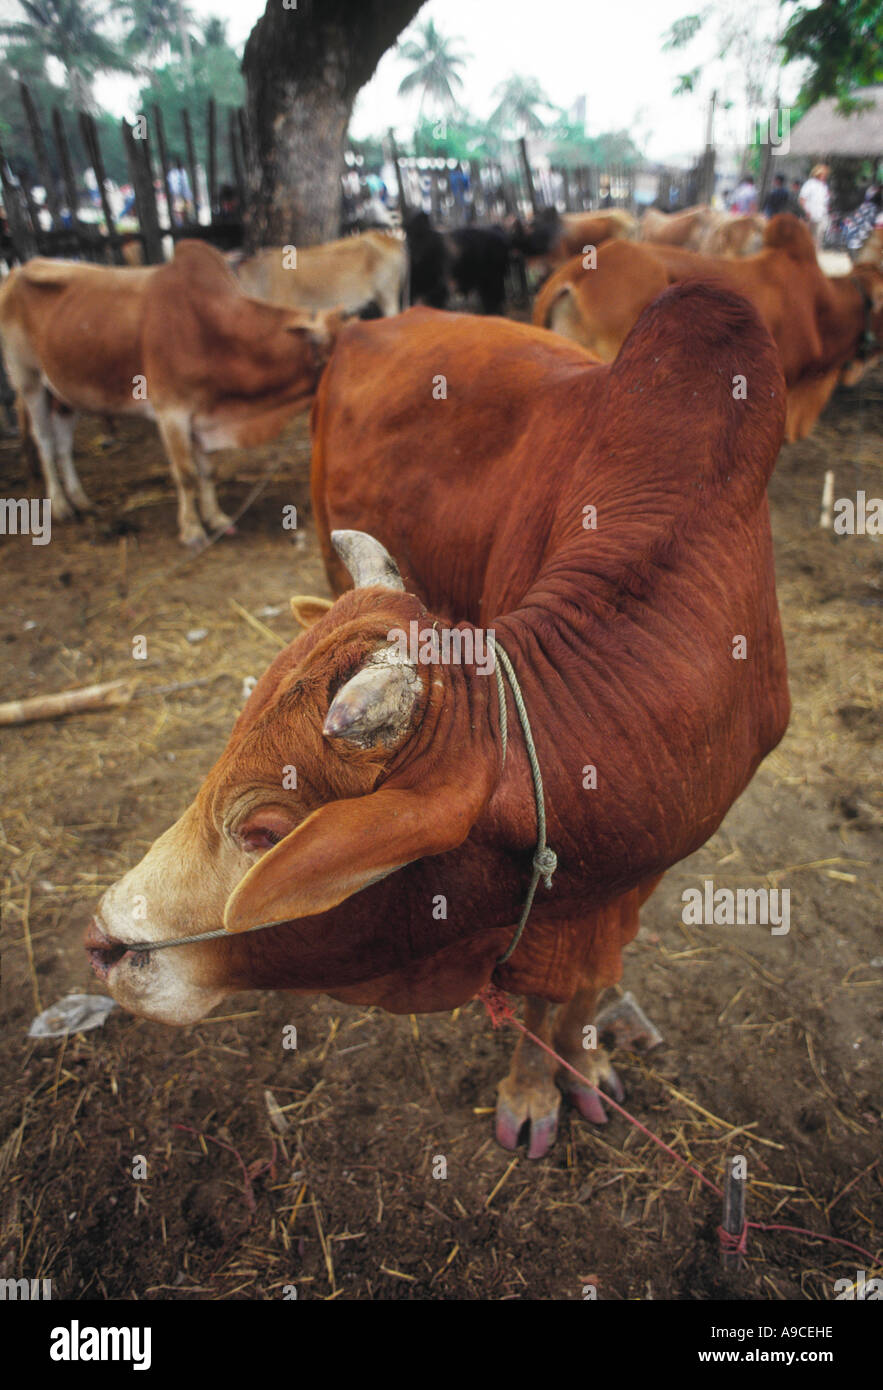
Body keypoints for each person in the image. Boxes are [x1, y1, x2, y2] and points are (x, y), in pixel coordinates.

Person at [799, 164, 830, 247]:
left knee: (818, 237)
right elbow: (802, 199)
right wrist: (806, 211)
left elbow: (825, 201)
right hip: (810, 215)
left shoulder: (824, 186)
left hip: (820, 215)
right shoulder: (810, 184)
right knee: (807, 236)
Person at [167, 154, 193, 225]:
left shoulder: (173, 173)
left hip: (179, 196)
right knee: (181, 211)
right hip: (181, 196)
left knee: (182, 210)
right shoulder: (180, 173)